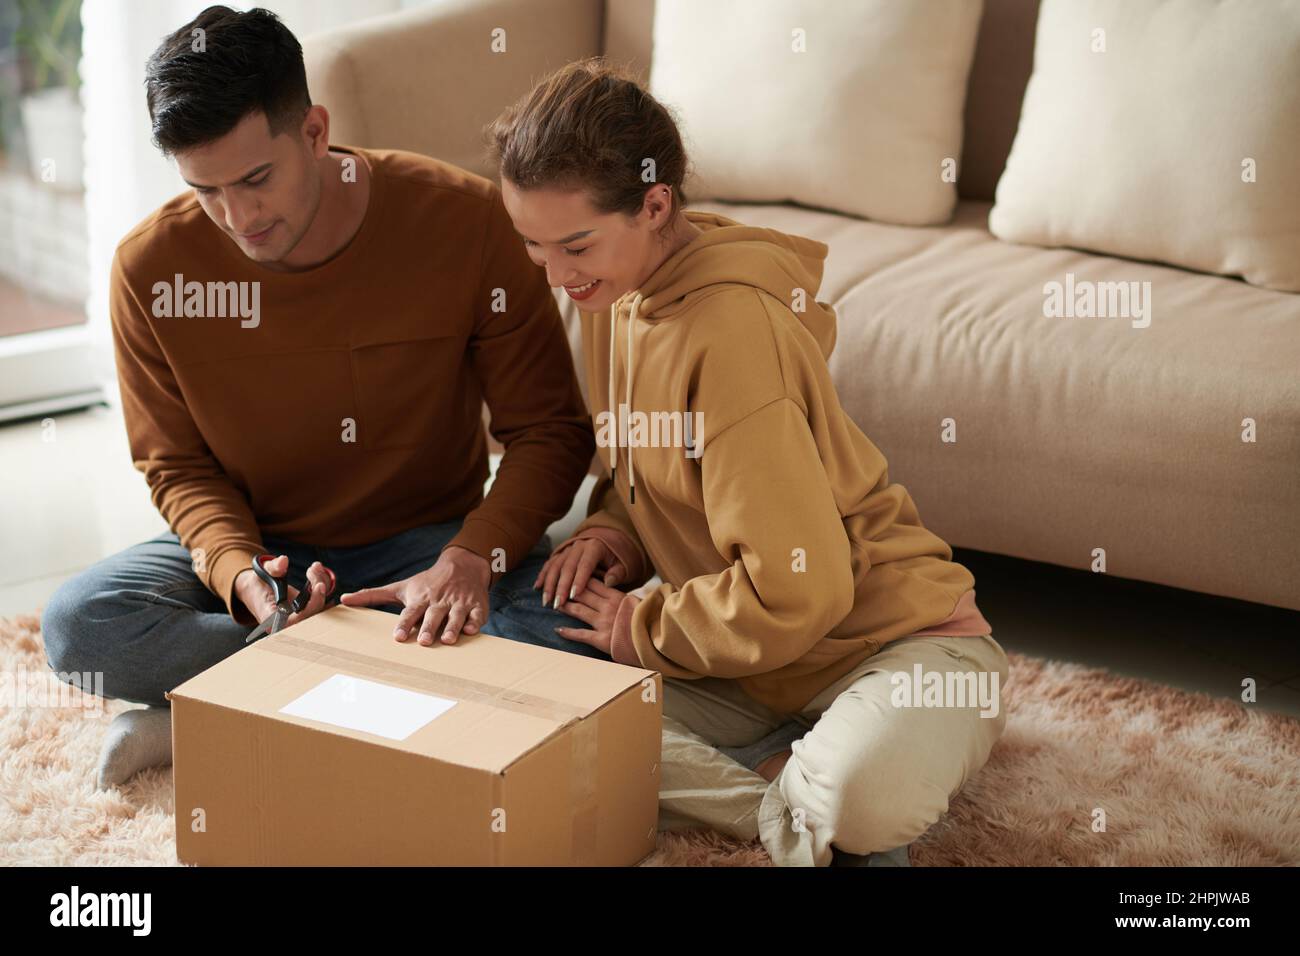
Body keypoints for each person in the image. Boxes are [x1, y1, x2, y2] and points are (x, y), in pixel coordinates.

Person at [39, 6, 601, 790]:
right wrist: (242, 580)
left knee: (571, 633)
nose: (239, 218)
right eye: (206, 191)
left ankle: (216, 709)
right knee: (79, 627)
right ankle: (351, 685)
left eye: (256, 179)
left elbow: (550, 432)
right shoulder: (150, 271)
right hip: (266, 550)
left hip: (428, 546)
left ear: (314, 133)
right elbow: (178, 469)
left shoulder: (465, 222)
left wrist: (471, 560)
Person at [485, 59, 1012, 866]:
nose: (555, 275)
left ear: (655, 204)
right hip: (749, 672)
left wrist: (643, 626)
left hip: (894, 645)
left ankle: (822, 792)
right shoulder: (618, 292)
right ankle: (783, 786)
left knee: (865, 803)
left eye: (574, 244)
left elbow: (800, 586)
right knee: (527, 698)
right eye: (533, 245)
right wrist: (614, 532)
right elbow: (652, 466)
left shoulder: (731, 337)